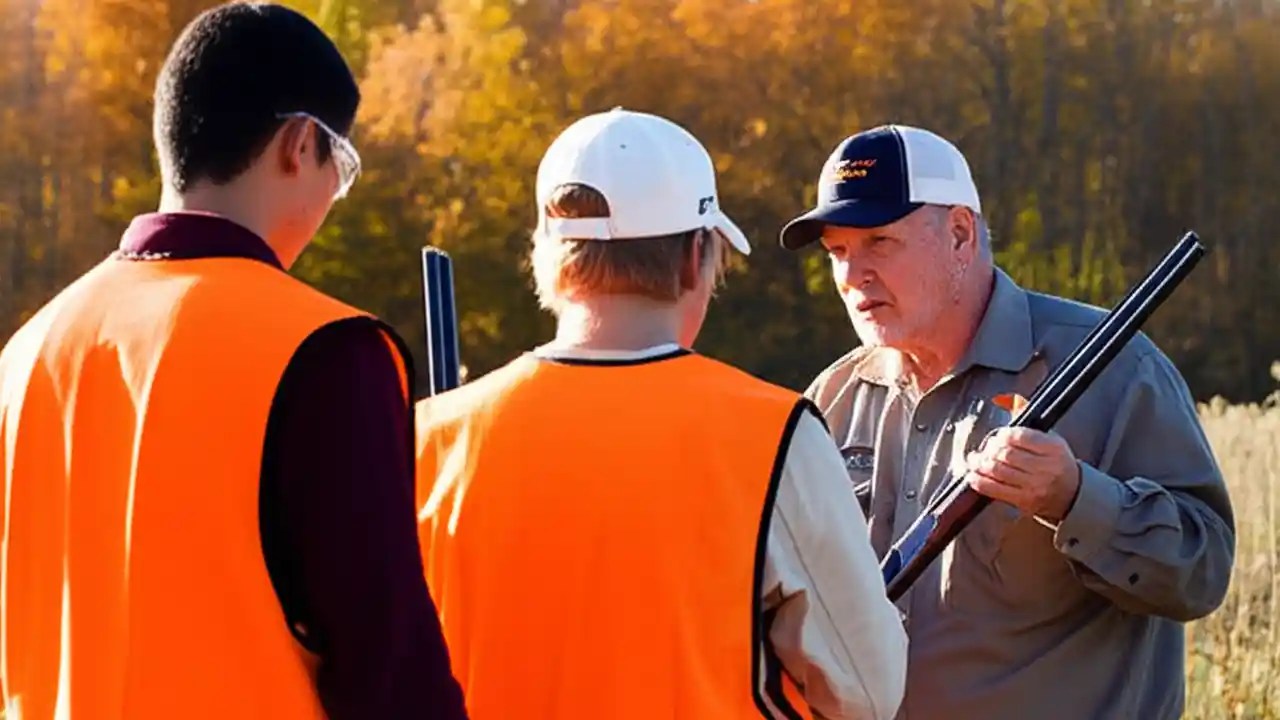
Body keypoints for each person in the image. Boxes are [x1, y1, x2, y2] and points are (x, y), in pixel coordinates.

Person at [0, 4, 467, 719]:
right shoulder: (327, 354)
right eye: (340, 167)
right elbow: (389, 667)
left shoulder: (25, 355)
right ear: (299, 144)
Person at [413, 107, 908, 719]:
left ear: (547, 256)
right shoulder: (774, 434)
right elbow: (864, 690)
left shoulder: (429, 436)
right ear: (694, 255)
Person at [778, 123, 1237, 720]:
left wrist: (1075, 499)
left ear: (961, 234)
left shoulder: (1115, 367)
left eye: (878, 242)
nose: (851, 275)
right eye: (838, 251)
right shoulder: (833, 398)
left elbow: (1201, 573)